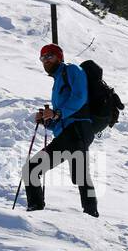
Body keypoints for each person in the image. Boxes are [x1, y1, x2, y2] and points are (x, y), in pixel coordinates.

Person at [23, 43, 98, 217]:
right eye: (43, 57)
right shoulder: (58, 80)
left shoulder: (72, 70)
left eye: (50, 56)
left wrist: (57, 113)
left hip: (76, 130)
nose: (46, 60)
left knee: (31, 169)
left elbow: (79, 97)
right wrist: (47, 121)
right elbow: (61, 117)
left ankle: (35, 212)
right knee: (80, 176)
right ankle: (91, 215)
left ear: (60, 57)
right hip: (73, 132)